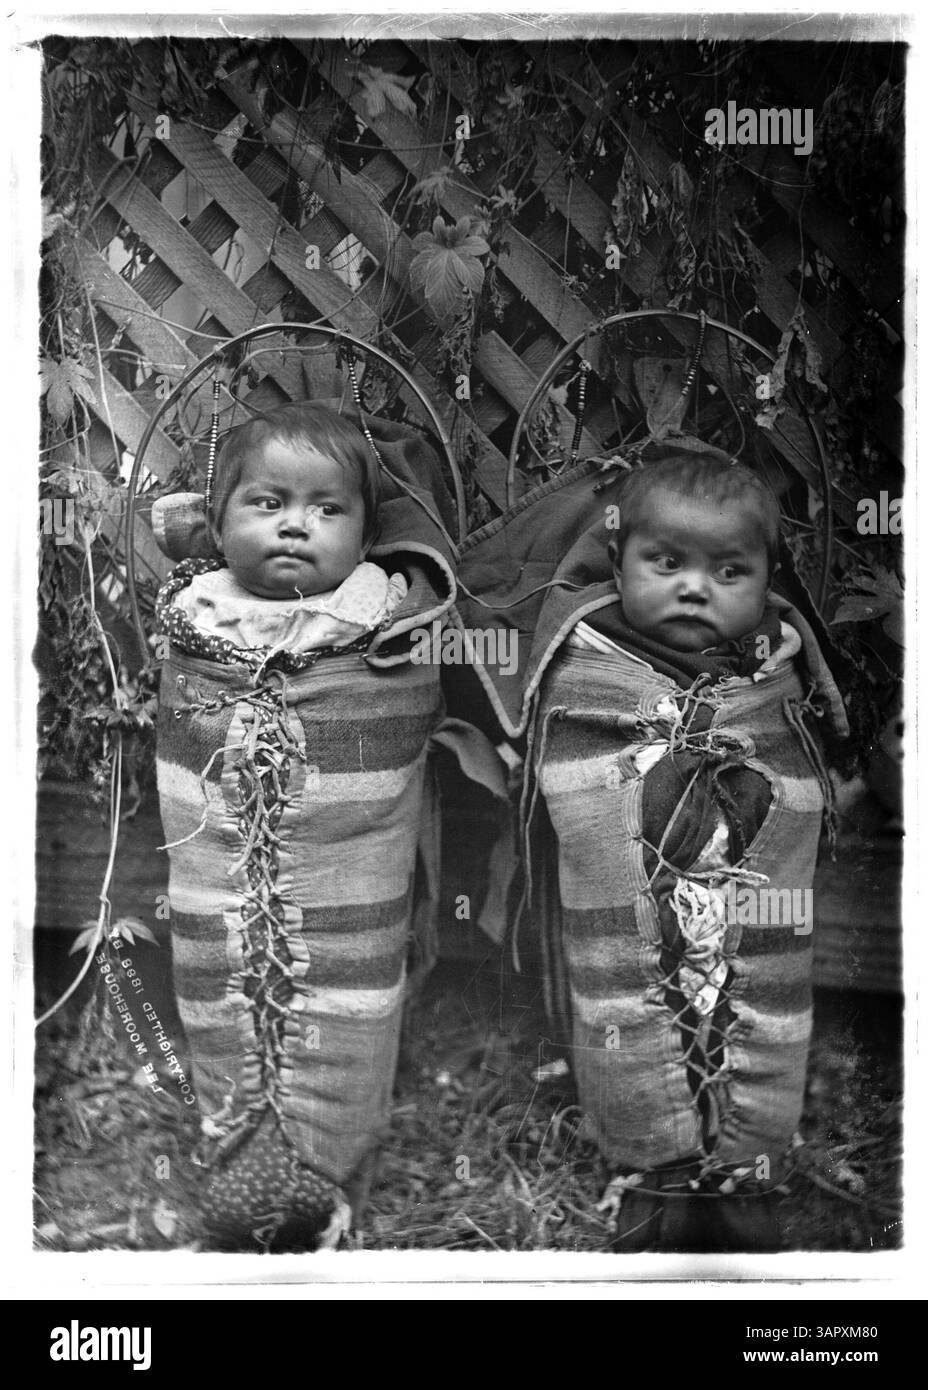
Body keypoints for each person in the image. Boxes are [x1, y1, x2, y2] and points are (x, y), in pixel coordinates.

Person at [152, 402, 459, 1251]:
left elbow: (396, 715)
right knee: (218, 944)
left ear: (364, 538)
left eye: (329, 510)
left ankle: (322, 1144)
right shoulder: (201, 614)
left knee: (344, 956)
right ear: (217, 522)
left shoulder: (373, 616)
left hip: (341, 836)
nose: (297, 525)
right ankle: (238, 1124)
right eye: (267, 503)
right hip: (221, 840)